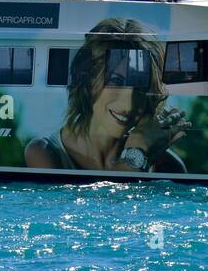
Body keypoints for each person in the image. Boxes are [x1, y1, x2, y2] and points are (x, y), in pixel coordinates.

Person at [24, 18, 190, 173]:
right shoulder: (44, 152)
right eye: (116, 81)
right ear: (87, 79)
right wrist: (137, 154)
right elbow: (108, 204)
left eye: (141, 87)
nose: (129, 105)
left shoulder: (169, 165)